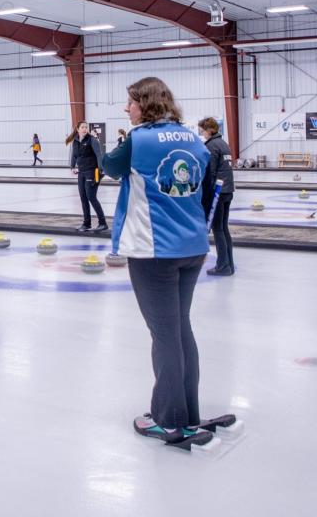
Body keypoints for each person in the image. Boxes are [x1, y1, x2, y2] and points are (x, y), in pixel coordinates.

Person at [102, 76, 212, 449]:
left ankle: (168, 420)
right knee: (181, 330)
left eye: (130, 102)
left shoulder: (137, 139)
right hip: (192, 246)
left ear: (145, 104)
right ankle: (187, 412)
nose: (126, 108)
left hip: (154, 251)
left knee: (165, 336)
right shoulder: (193, 137)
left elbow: (109, 167)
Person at [199, 117, 235, 276]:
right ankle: (229, 264)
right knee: (224, 229)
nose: (201, 133)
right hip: (228, 191)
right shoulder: (224, 144)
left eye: (202, 130)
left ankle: (222, 266)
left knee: (218, 229)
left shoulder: (211, 146)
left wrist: (204, 196)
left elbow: (210, 173)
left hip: (218, 192)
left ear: (209, 130)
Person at [67, 121, 107, 233]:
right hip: (81, 172)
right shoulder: (75, 141)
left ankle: (103, 223)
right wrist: (72, 166)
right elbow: (74, 155)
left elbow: (99, 155)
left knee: (91, 197)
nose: (84, 129)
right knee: (83, 198)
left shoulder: (92, 140)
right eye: (82, 127)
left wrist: (101, 170)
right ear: (78, 129)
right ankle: (86, 223)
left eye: (86, 127)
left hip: (92, 172)